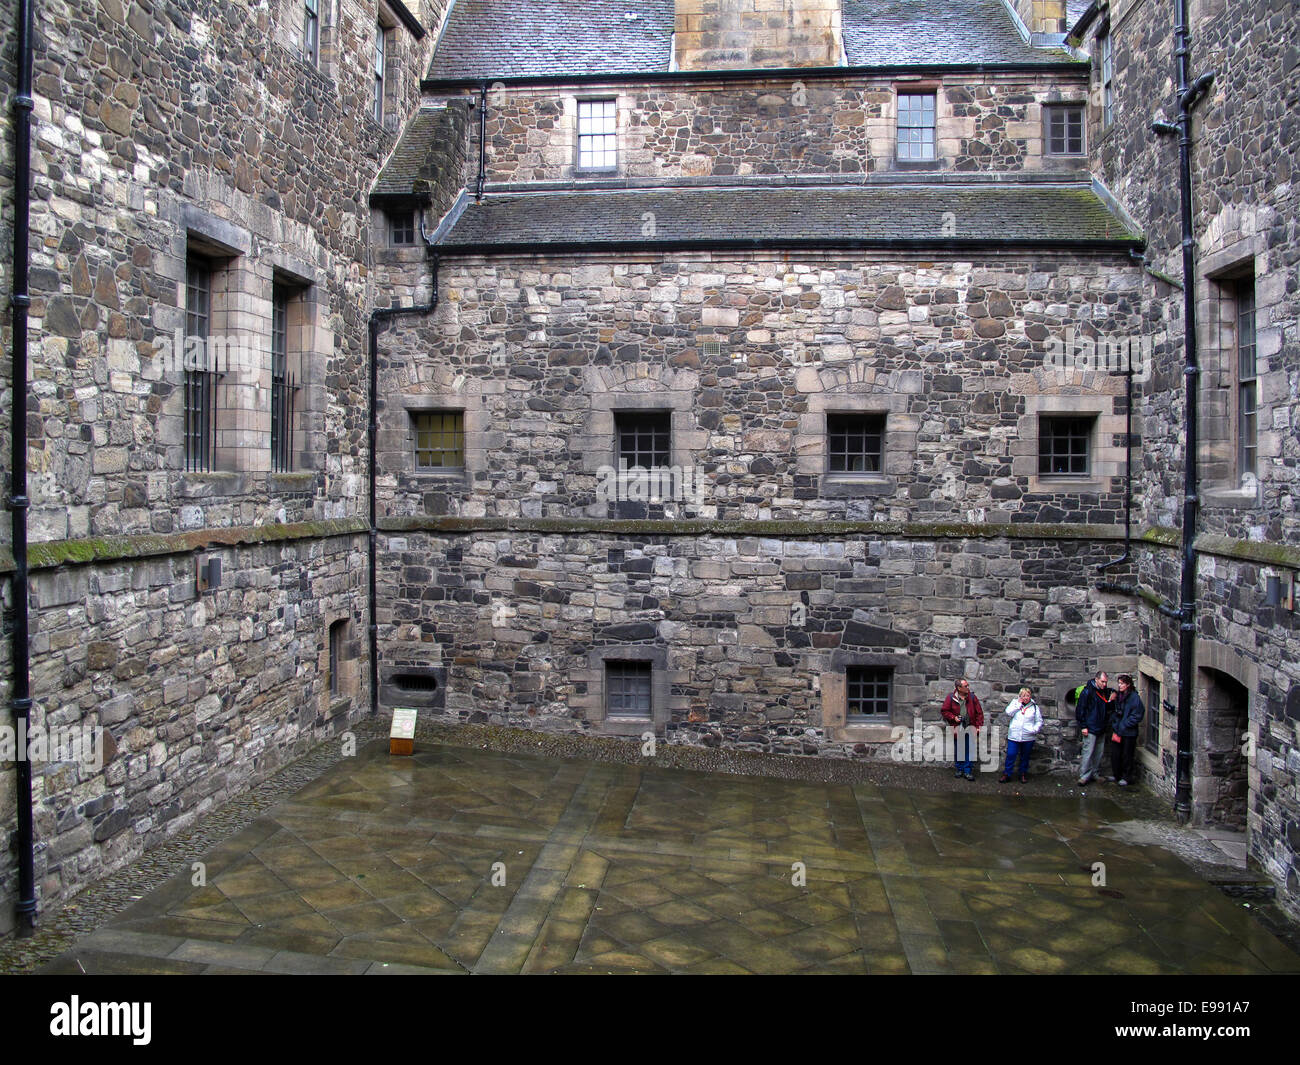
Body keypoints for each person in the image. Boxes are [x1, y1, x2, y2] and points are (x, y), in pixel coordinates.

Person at [1075, 670, 1114, 785]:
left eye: (1106, 682)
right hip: (1090, 727)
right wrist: (1083, 726)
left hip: (1101, 727)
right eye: (1102, 682)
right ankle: (1084, 775)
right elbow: (1080, 710)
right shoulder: (1087, 692)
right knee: (1088, 752)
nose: (1104, 684)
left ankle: (1095, 773)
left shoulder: (1104, 692)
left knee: (1098, 752)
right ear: (1096, 680)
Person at [941, 678, 984, 781]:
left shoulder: (972, 697)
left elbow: (979, 713)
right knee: (959, 749)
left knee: (970, 749)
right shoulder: (951, 697)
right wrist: (953, 717)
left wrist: (978, 727)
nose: (968, 687)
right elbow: (944, 711)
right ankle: (959, 769)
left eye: (968, 685)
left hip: (971, 726)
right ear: (959, 688)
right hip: (958, 727)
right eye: (966, 686)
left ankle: (967, 771)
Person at [999, 687, 1043, 783]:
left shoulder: (1034, 707)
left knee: (1025, 756)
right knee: (1011, 754)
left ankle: (1022, 774)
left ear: (1030, 696)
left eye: (1027, 695)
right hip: (1014, 735)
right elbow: (1009, 712)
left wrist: (1034, 729)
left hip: (1028, 736)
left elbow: (1039, 721)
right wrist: (1018, 704)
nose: (1025, 697)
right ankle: (1007, 773)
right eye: (1023, 695)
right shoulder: (1015, 703)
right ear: (1020, 696)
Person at [1109, 673, 1145, 786]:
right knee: (1115, 754)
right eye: (1119, 683)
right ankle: (1117, 774)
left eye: (1122, 683)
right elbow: (1116, 712)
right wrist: (1115, 725)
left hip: (1128, 732)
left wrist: (1123, 725)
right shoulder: (1119, 696)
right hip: (1118, 729)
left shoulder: (1134, 698)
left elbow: (1137, 715)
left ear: (1128, 684)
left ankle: (1126, 776)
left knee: (1127, 755)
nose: (1120, 686)